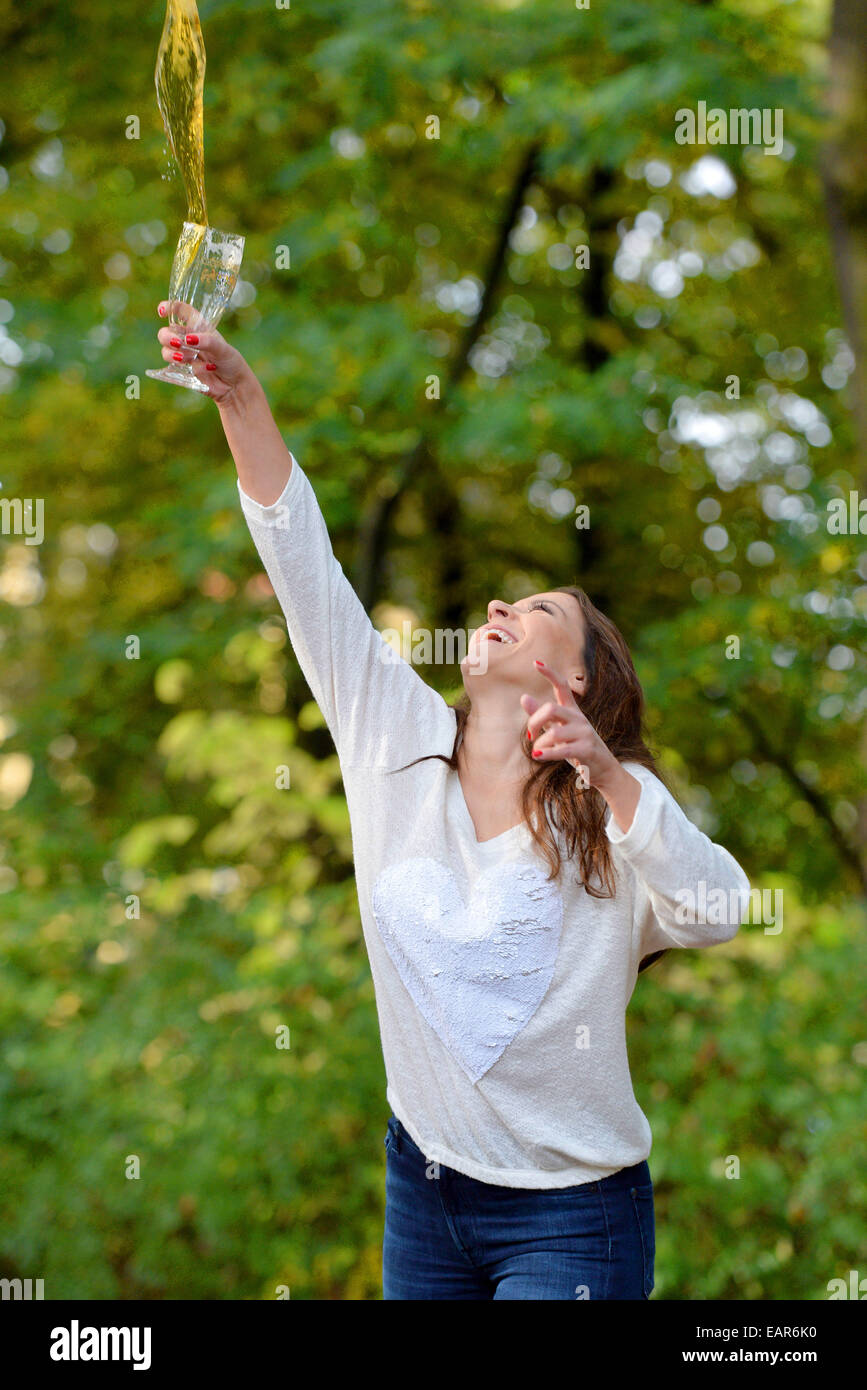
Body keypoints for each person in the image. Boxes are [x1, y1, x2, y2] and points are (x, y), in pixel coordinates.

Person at [155, 307, 751, 1300]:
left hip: (575, 1214)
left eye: (540, 612)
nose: (499, 609)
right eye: (508, 601)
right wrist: (241, 394)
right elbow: (307, 570)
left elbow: (723, 910)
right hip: (423, 1183)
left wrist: (608, 775)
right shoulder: (392, 734)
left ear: (580, 683)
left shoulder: (618, 805)